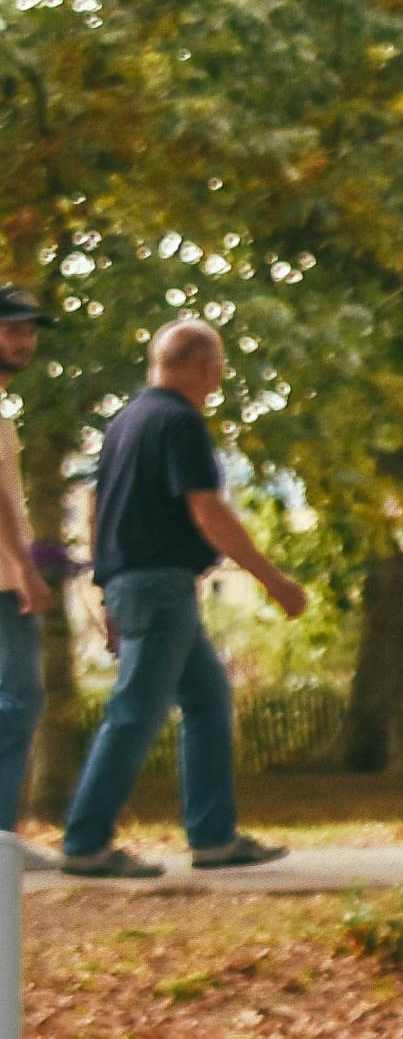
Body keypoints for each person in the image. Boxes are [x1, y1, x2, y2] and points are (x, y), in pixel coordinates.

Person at [58, 316, 310, 880]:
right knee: (133, 714)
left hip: (136, 585)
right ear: (203, 365)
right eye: (218, 365)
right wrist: (273, 579)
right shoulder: (179, 422)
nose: (219, 377)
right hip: (161, 588)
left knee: (207, 700)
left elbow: (102, 510)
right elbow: (207, 509)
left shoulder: (125, 422)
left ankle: (214, 837)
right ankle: (85, 842)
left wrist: (105, 589)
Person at [0, 287, 50, 869]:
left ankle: (2, 838)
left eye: (29, 330)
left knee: (17, 699)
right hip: (2, 580)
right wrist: (24, 569)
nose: (24, 341)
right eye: (13, 329)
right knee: (20, 700)